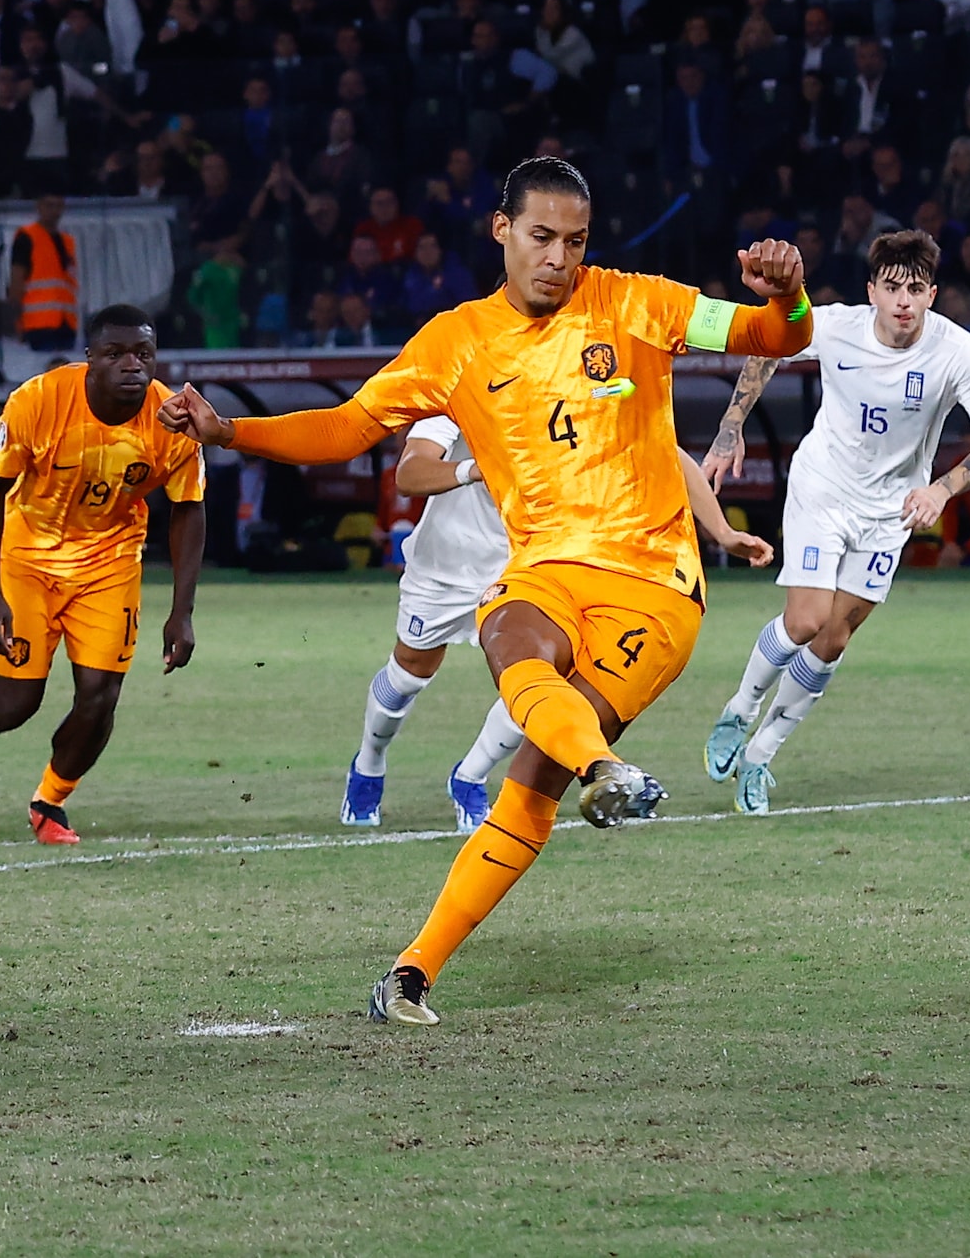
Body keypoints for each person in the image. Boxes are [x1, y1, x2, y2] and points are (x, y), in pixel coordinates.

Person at [157, 157, 815, 1027]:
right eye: (541, 237)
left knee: (530, 785)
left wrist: (790, 295)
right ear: (501, 230)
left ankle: (427, 952)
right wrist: (229, 429)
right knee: (505, 629)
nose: (559, 258)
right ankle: (422, 964)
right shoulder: (457, 340)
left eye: (575, 241)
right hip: (544, 570)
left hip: (655, 586)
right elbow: (350, 426)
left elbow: (774, 339)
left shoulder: (640, 301)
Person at [698, 231, 970, 814]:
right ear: (871, 290)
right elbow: (770, 344)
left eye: (915, 290)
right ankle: (739, 711)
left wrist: (942, 488)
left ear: (932, 295)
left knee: (834, 638)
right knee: (806, 619)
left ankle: (761, 755)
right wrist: (730, 427)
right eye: (891, 287)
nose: (903, 301)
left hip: (891, 511)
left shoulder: (956, 351)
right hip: (824, 486)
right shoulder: (837, 324)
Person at [0, 306, 206, 845]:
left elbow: (189, 507)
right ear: (90, 359)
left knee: (100, 696)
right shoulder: (39, 400)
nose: (132, 366)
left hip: (110, 562)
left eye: (143, 354)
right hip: (28, 560)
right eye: (116, 354)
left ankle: (50, 801)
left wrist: (182, 611)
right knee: (17, 703)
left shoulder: (171, 419)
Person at [345, 416, 525, 834]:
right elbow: (409, 474)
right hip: (445, 566)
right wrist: (473, 469)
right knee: (408, 676)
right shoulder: (459, 393)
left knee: (535, 679)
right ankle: (369, 764)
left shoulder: (568, 393)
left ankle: (470, 777)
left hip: (522, 564)